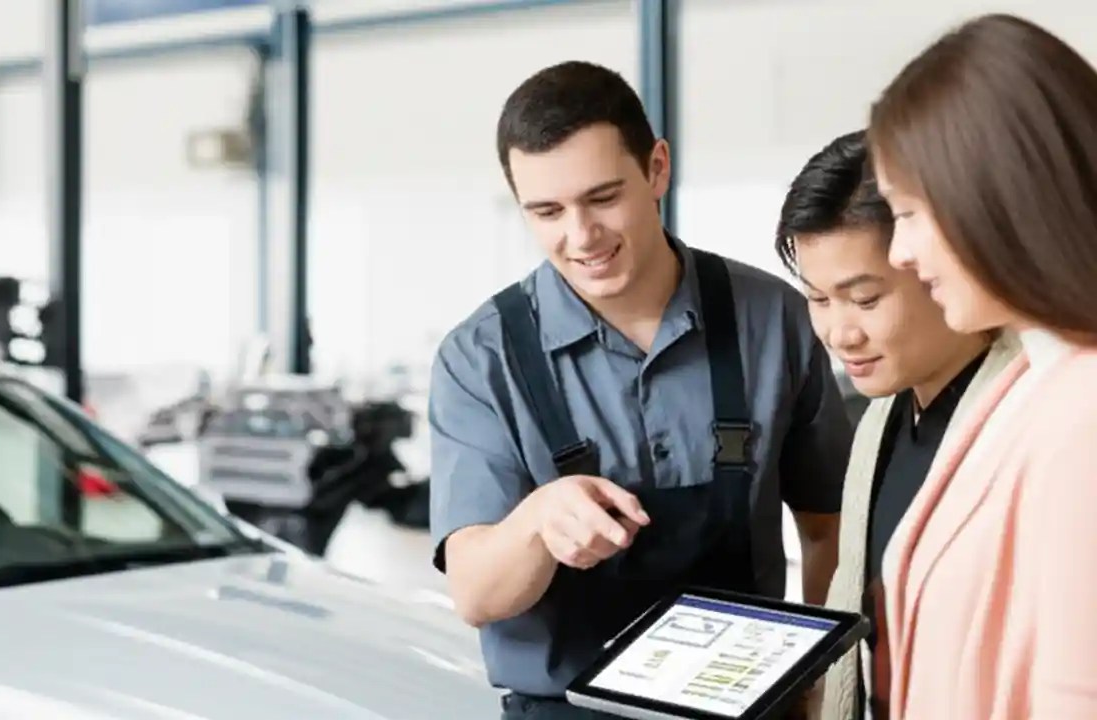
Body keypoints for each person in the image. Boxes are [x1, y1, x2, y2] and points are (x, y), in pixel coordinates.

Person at [427, 60, 853, 719]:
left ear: (656, 168)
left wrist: (819, 689)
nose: (581, 236)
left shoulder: (771, 318)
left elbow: (830, 529)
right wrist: (538, 522)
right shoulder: (480, 359)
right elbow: (476, 595)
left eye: (602, 198)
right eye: (546, 211)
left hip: (745, 708)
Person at [864, 13, 1097, 719]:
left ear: (993, 195)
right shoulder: (1033, 379)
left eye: (907, 213)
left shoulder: (1083, 413)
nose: (899, 253)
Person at [772, 129, 1019, 720]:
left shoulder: (1031, 415)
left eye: (864, 299)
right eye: (819, 299)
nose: (840, 333)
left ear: (934, 262)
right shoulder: (878, 420)